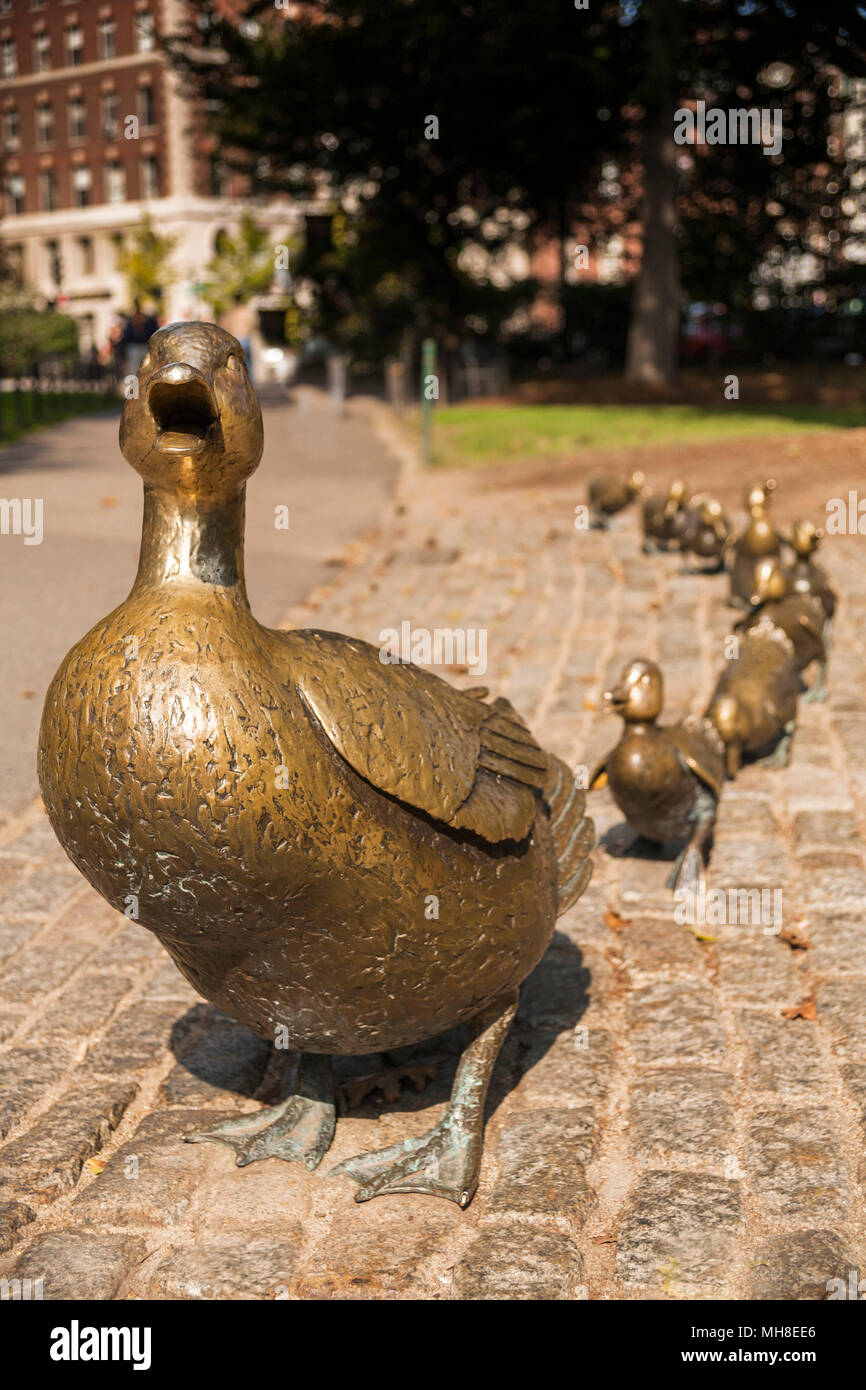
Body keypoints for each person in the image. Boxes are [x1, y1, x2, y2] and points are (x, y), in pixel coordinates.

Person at [219, 294, 256, 379]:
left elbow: (223, 325)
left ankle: (239, 382)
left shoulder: (230, 312)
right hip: (245, 338)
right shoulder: (245, 311)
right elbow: (254, 323)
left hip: (234, 339)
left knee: (235, 364)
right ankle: (249, 382)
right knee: (248, 364)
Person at [119, 299, 159, 376]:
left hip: (144, 346)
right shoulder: (131, 320)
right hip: (135, 347)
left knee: (147, 369)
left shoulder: (147, 320)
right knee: (135, 370)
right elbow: (127, 336)